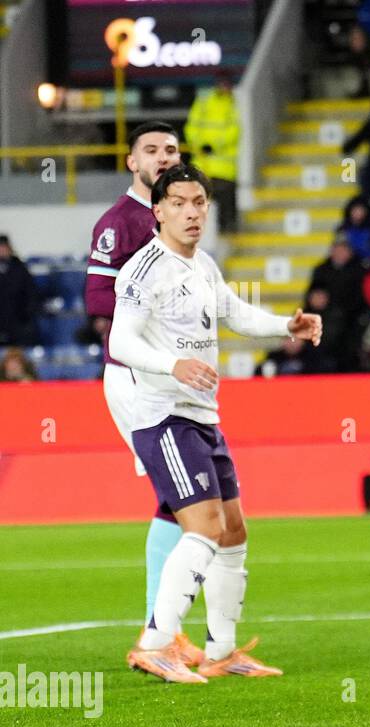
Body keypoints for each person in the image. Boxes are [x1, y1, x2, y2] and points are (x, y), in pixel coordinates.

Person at [109, 164, 322, 683]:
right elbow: (120, 342)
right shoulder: (142, 270)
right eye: (178, 202)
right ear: (158, 210)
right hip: (163, 416)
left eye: (198, 202)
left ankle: (222, 651)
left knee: (233, 532)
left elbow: (233, 313)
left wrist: (284, 327)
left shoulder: (201, 264)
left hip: (202, 417)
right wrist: (172, 364)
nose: (191, 211)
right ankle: (154, 644)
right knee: (204, 528)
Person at [83, 121, 185, 643]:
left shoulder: (178, 217)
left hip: (170, 378)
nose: (163, 156)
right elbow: (96, 299)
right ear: (132, 162)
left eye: (170, 148)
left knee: (189, 500)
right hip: (133, 378)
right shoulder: (120, 222)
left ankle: (165, 630)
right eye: (151, 150)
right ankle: (158, 631)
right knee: (183, 498)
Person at [184, 72, 240, 232]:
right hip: (203, 165)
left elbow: (234, 132)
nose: (225, 87)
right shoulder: (204, 104)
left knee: (225, 209)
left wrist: (213, 146)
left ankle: (226, 232)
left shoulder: (233, 105)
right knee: (199, 206)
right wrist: (201, 145)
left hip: (224, 169)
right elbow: (191, 128)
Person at [0, 235, 39, 347]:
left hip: (17, 322)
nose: (2, 251)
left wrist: (24, 317)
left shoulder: (20, 269)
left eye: (4, 248)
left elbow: (31, 296)